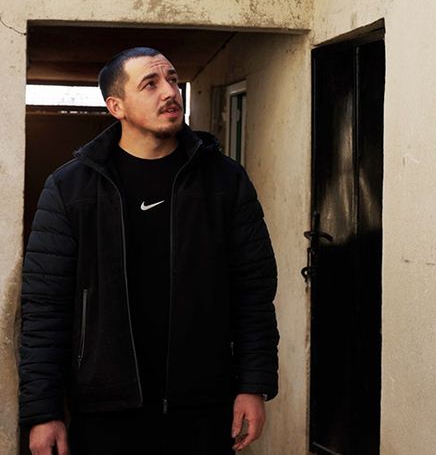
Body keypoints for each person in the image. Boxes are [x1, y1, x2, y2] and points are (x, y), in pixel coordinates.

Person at [19, 47, 279, 455]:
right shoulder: (71, 188)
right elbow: (44, 306)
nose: (169, 92)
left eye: (173, 80)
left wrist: (253, 385)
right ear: (116, 106)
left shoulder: (224, 180)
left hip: (203, 402)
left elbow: (254, 290)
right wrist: (43, 411)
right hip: (105, 406)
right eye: (151, 83)